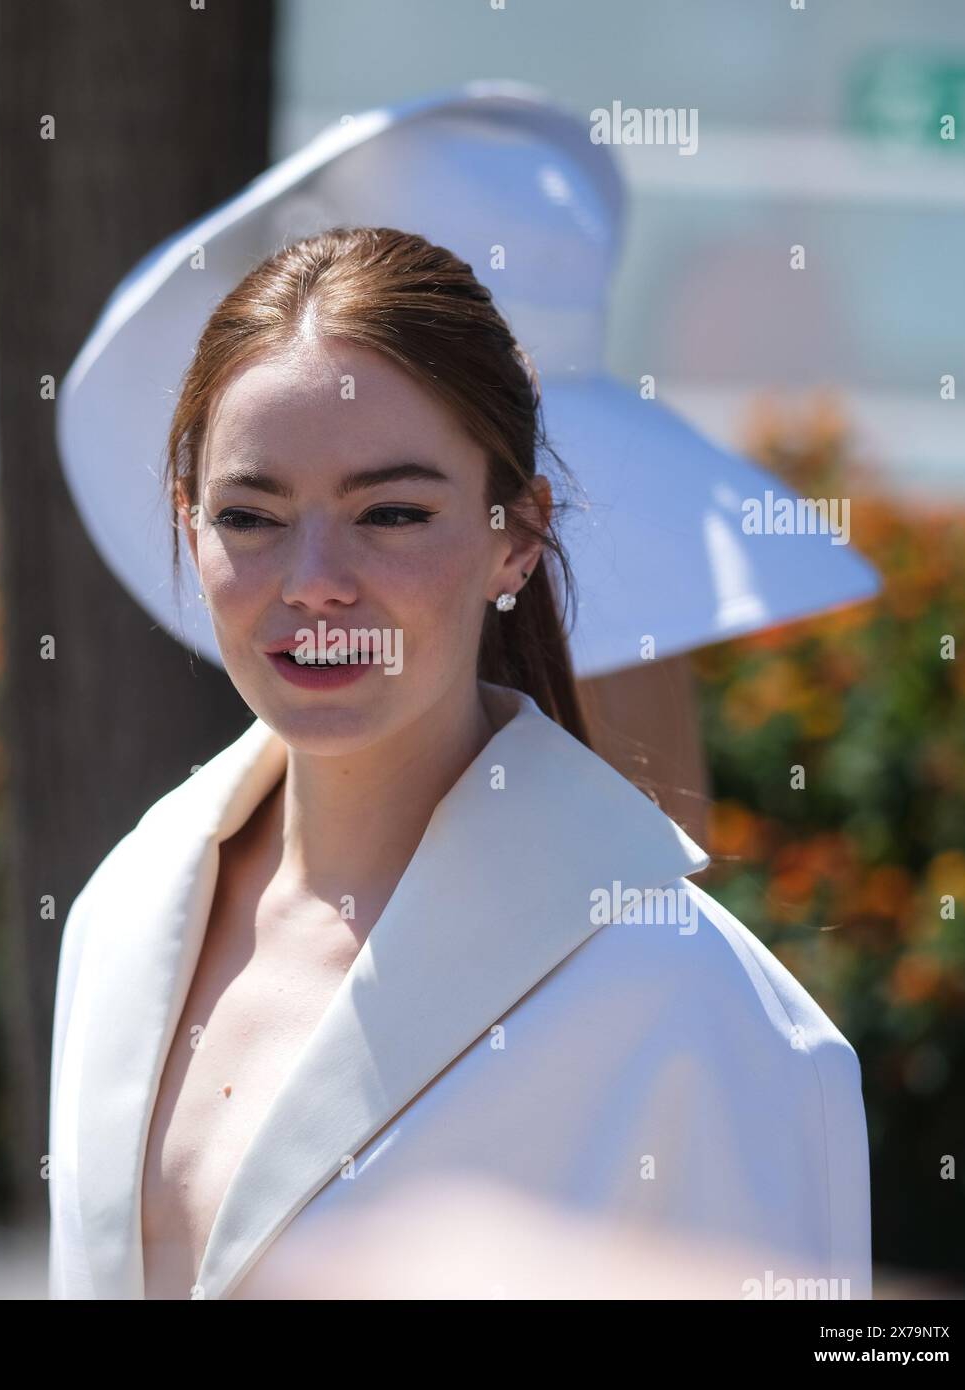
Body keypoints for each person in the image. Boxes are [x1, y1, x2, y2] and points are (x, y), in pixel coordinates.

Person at [47, 226, 872, 1301]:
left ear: (516, 537)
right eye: (250, 515)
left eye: (391, 512)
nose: (315, 581)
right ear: (187, 524)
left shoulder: (691, 1006)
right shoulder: (121, 912)